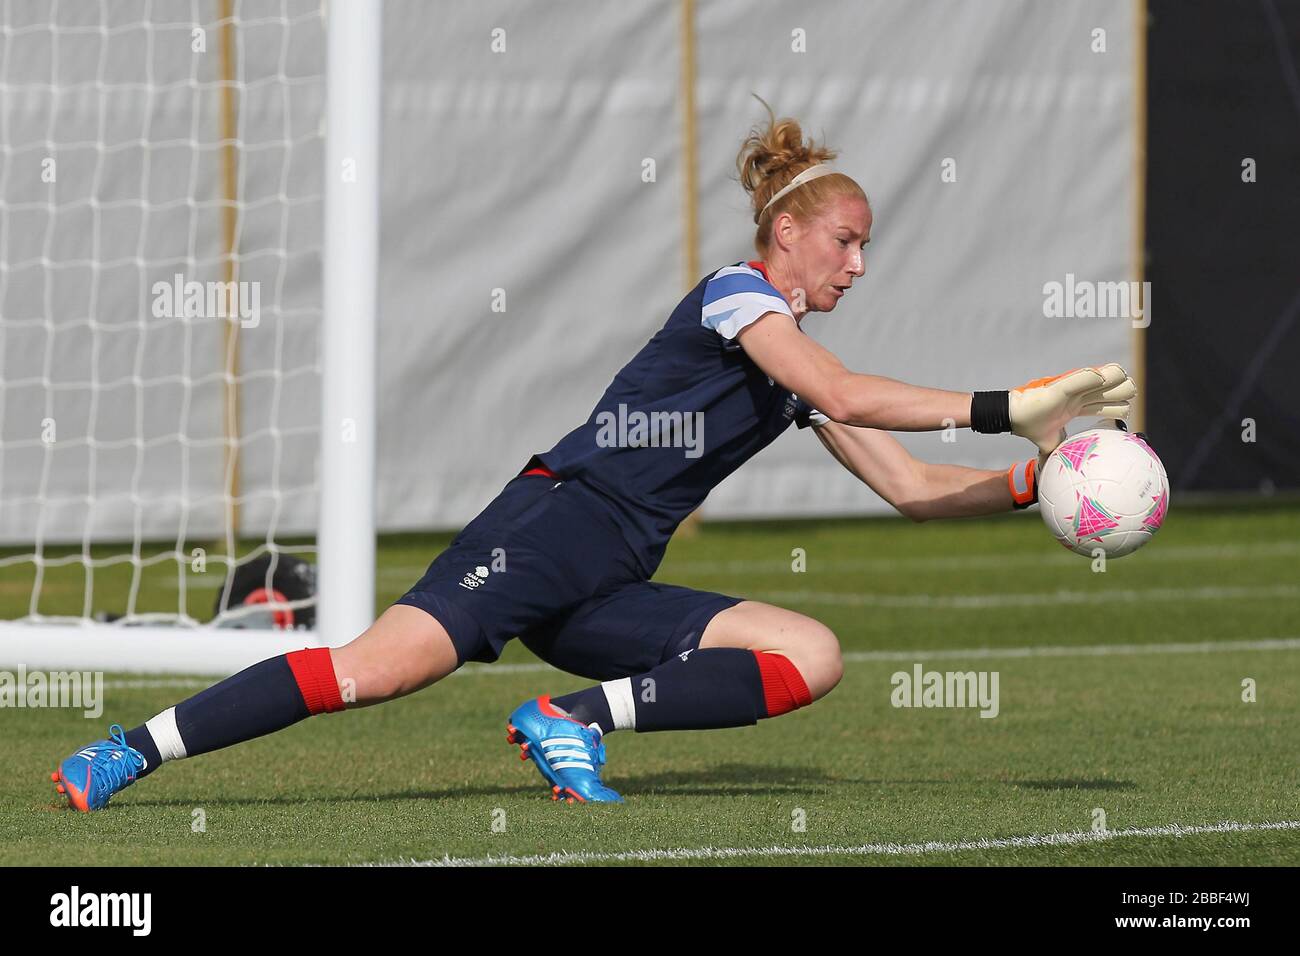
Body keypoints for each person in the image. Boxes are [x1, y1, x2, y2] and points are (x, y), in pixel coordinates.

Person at [51, 101, 1135, 809]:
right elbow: (850, 393)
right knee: (370, 670)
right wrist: (1009, 400)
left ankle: (569, 718)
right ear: (787, 234)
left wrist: (1033, 477)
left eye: (866, 245)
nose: (859, 261)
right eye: (845, 239)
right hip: (550, 525)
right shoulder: (737, 294)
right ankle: (126, 751)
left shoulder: (793, 356)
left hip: (612, 572)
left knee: (808, 653)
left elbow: (908, 487)